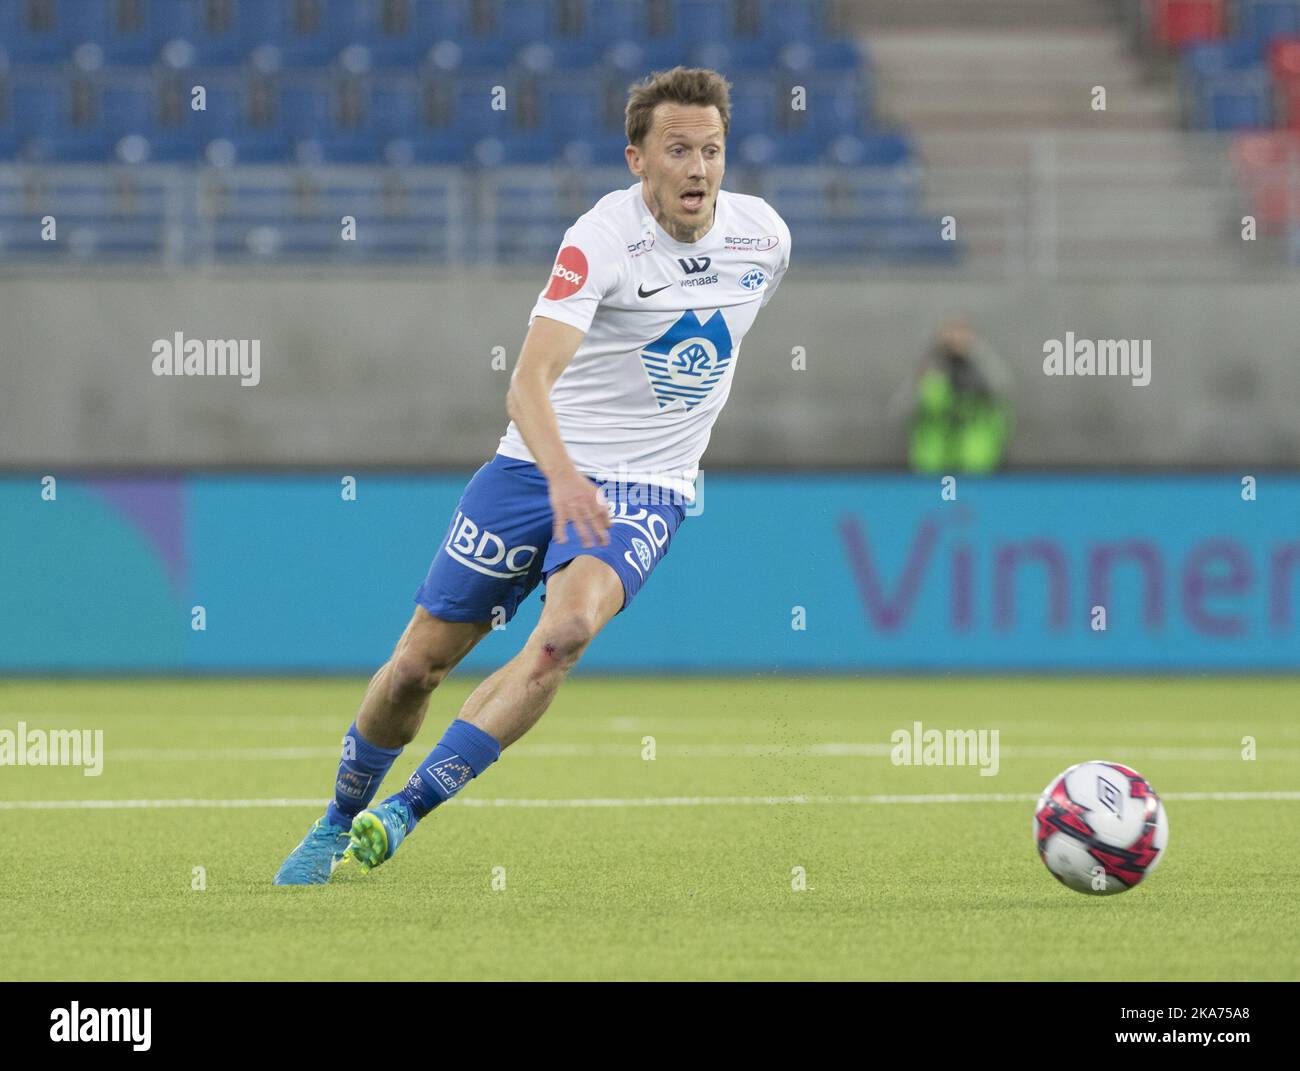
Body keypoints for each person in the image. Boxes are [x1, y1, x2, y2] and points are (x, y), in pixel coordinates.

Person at [274, 66, 791, 884]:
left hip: (648, 483)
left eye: (713, 151)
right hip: (534, 466)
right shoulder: (600, 240)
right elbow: (525, 384)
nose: (698, 169)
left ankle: (404, 810)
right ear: (636, 158)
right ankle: (336, 818)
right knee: (417, 666)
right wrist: (561, 479)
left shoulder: (764, 239)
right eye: (679, 150)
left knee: (565, 633)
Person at [906, 316, 1011, 473]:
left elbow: (1002, 390)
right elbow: (902, 411)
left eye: (962, 334)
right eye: (951, 334)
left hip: (977, 462)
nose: (956, 340)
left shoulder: (983, 371)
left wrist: (975, 355)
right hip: (933, 462)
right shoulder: (931, 372)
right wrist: (930, 369)